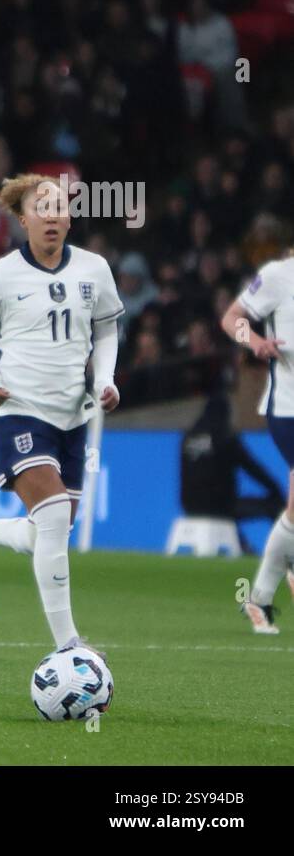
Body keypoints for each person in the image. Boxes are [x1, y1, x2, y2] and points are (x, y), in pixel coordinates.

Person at [0, 173, 124, 653]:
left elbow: (107, 331)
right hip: (18, 409)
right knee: (51, 519)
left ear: (69, 216)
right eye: (40, 208)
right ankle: (69, 645)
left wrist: (104, 378)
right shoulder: (0, 276)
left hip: (73, 413)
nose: (52, 215)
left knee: (48, 530)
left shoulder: (95, 270)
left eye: (59, 206)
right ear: (22, 219)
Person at [220, 259, 294, 632]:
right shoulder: (279, 275)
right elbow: (232, 317)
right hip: (289, 409)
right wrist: (257, 342)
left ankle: (260, 599)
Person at [179, 393, 285, 556]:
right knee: (275, 506)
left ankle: (241, 545)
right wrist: (276, 489)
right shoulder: (225, 437)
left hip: (189, 506)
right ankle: (283, 554)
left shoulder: (188, 437)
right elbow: (252, 468)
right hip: (221, 506)